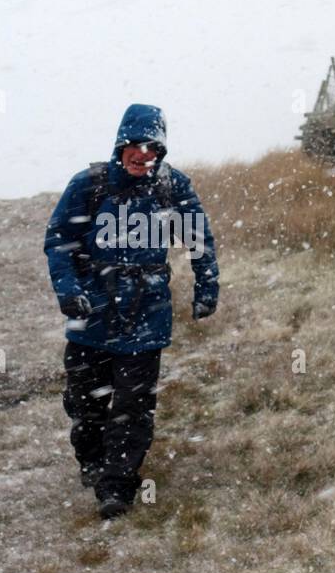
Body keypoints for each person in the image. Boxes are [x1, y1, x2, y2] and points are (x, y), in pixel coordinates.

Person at [43, 104, 219, 520]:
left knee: (133, 404)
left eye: (153, 148)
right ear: (121, 146)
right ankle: (91, 460)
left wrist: (207, 285)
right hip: (92, 313)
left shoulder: (171, 187)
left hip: (147, 312)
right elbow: (58, 242)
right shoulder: (89, 186)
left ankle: (117, 485)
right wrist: (68, 291)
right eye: (135, 147)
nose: (143, 155)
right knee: (85, 401)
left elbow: (199, 240)